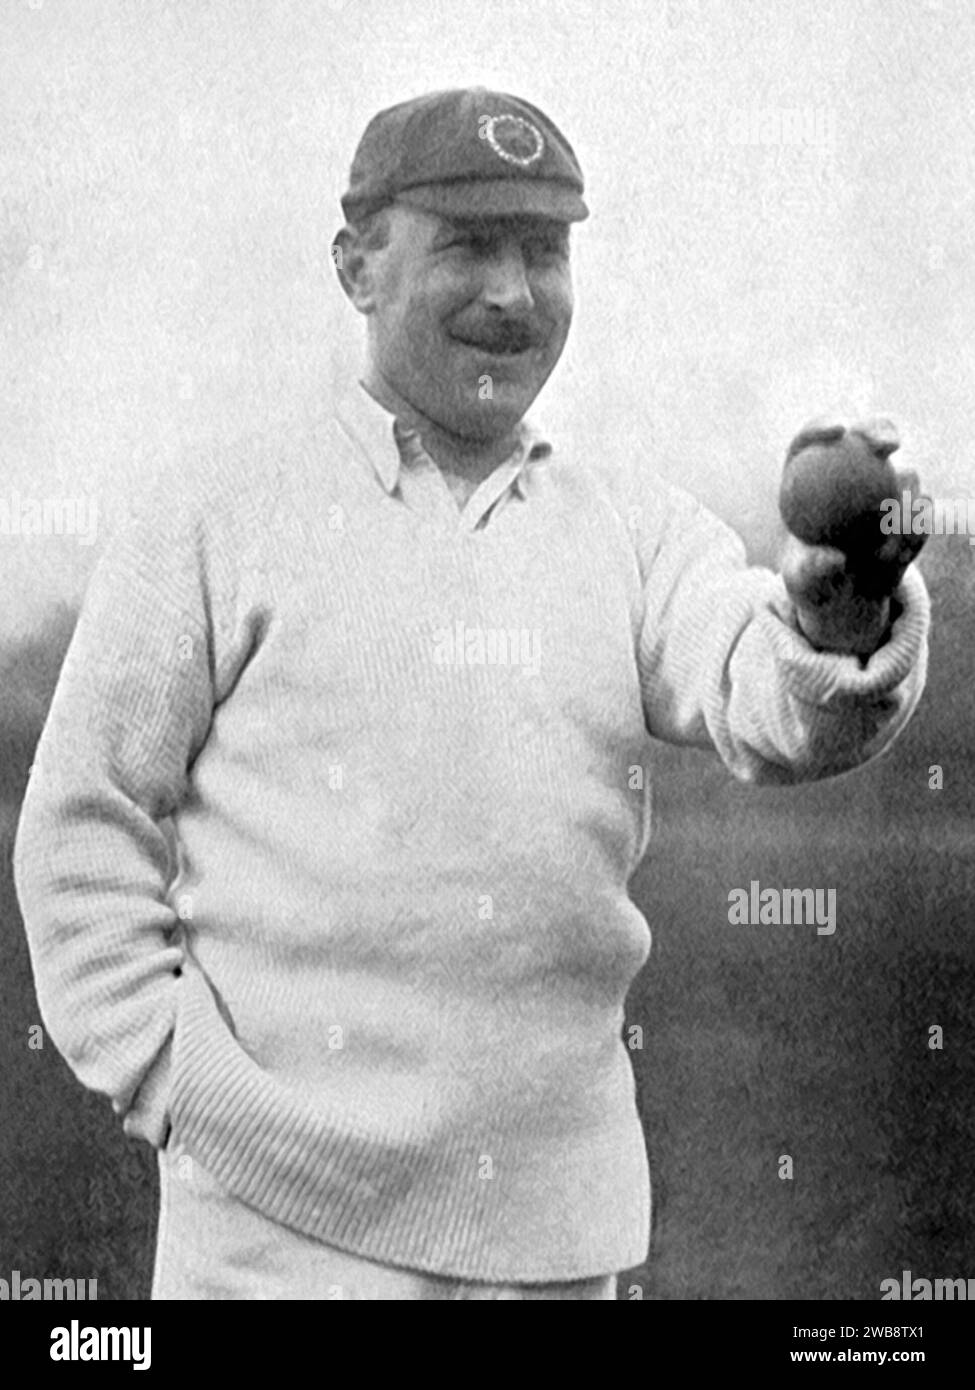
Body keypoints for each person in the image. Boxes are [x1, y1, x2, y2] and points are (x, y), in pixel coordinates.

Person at [14, 87, 931, 1301]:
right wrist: (182, 1086)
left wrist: (835, 604)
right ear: (357, 267)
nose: (514, 293)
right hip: (275, 1240)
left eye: (543, 251)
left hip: (558, 1239)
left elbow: (770, 703)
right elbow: (81, 833)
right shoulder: (213, 512)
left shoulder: (630, 525)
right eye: (466, 246)